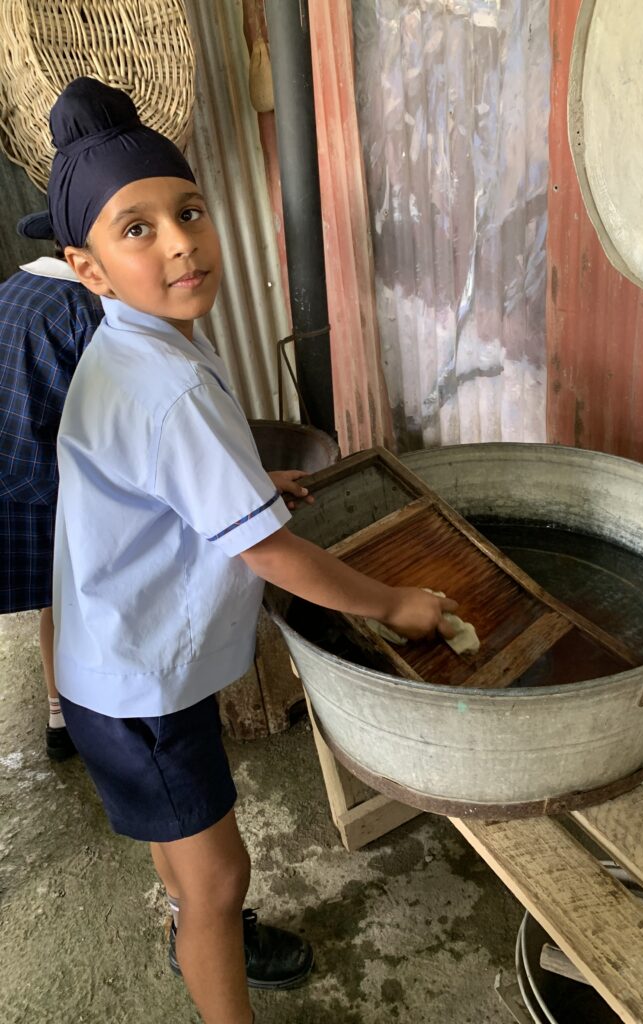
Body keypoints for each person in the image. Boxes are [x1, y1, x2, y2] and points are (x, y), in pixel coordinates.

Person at [48, 77, 457, 1024]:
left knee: (185, 852)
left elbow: (156, 487)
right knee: (224, 877)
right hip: (140, 686)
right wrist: (394, 601)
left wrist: (249, 486)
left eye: (187, 210)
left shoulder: (139, 346)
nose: (181, 239)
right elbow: (272, 556)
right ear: (90, 268)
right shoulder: (169, 386)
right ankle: (208, 937)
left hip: (110, 663)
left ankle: (190, 921)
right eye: (137, 228)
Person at [0, 237, 102, 760]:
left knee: (53, 599)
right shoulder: (82, 306)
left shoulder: (12, 290)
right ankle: (112, 720)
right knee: (91, 598)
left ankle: (59, 716)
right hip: (62, 482)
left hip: (15, 475)